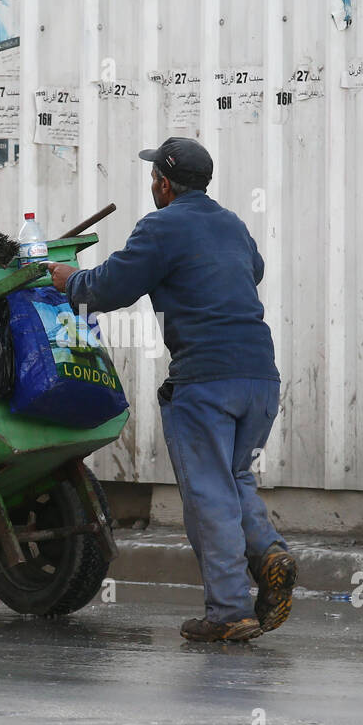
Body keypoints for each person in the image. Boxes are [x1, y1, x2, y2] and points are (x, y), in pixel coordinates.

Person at [45, 138, 297, 642]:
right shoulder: (232, 225)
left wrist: (70, 280)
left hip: (206, 380)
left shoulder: (160, 226)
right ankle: (269, 553)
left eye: (152, 177)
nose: (151, 185)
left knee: (208, 496)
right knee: (233, 476)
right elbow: (255, 271)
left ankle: (229, 612)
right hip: (260, 378)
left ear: (163, 182)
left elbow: (109, 288)